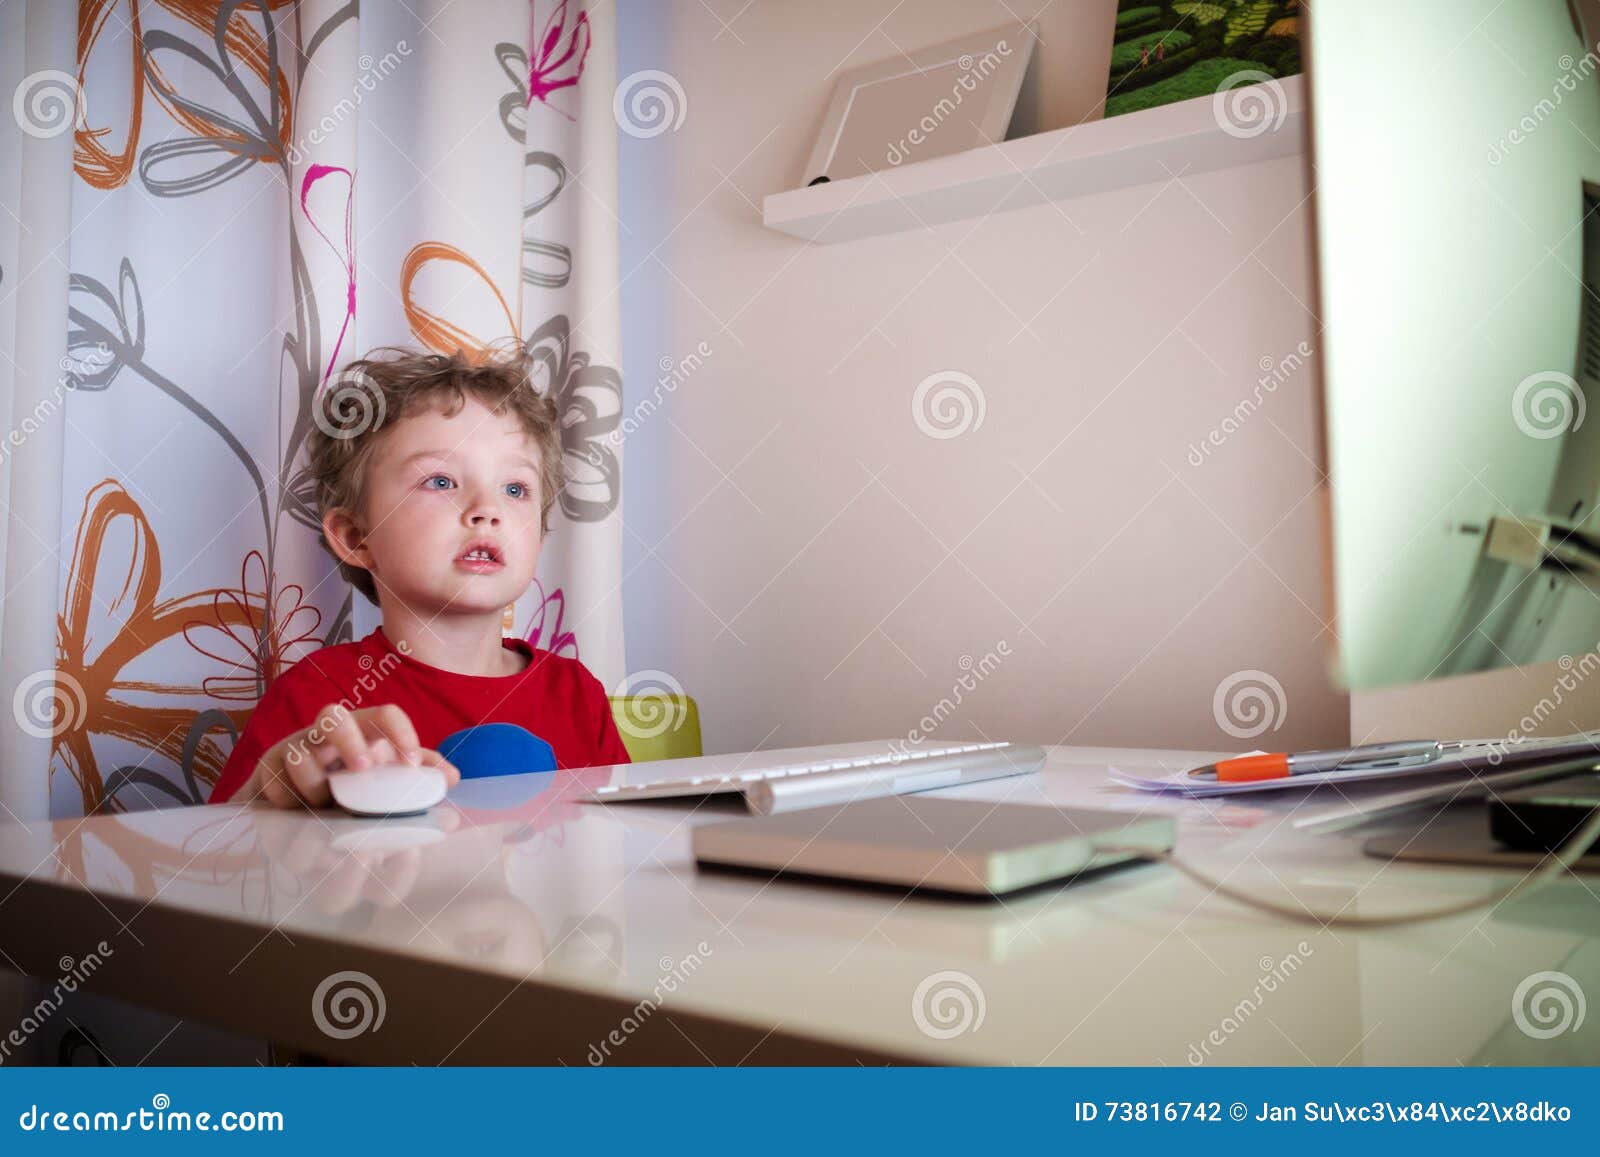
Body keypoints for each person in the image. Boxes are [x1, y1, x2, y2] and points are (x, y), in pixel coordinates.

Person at [208, 345, 631, 807]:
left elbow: (629, 845)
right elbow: (217, 864)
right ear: (356, 538)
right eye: (441, 482)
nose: (487, 511)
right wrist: (259, 800)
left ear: (539, 540)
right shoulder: (315, 697)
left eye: (515, 489)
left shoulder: (576, 694)